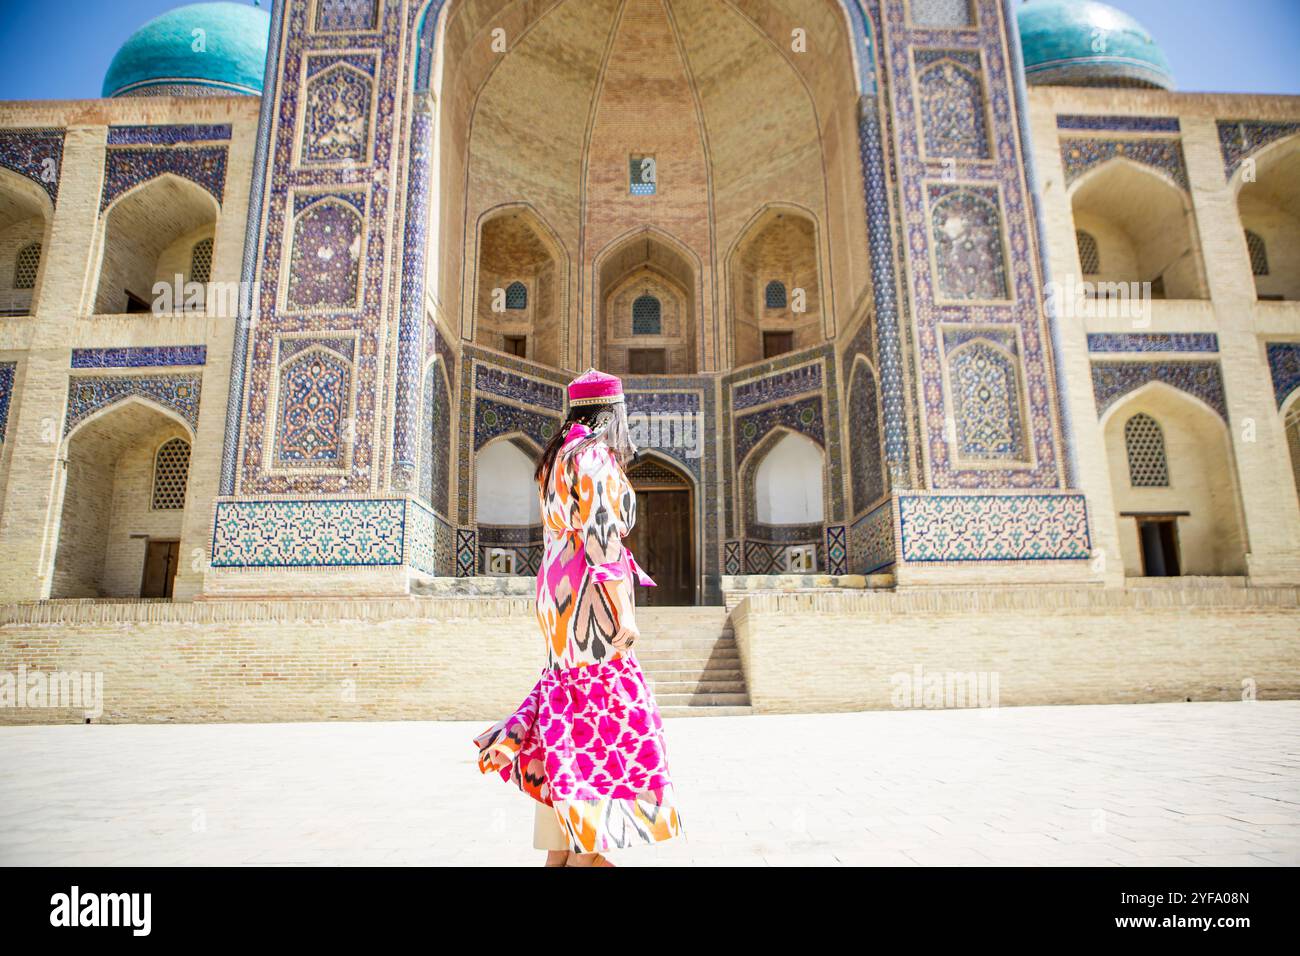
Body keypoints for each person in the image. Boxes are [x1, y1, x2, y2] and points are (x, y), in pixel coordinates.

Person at [473, 368, 684, 866]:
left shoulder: (557, 457)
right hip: (589, 601)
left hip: (557, 595)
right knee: (608, 717)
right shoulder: (593, 456)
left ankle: (566, 847)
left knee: (567, 707)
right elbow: (602, 539)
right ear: (613, 414)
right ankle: (593, 842)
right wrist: (625, 613)